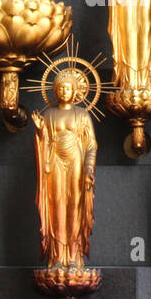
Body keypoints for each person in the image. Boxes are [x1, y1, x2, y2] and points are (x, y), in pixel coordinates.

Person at [31, 69, 98, 270]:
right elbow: (46, 143)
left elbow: (91, 145)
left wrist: (88, 168)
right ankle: (58, 254)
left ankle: (75, 255)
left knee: (74, 204)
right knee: (57, 203)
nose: (64, 91)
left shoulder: (82, 114)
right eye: (60, 88)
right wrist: (40, 132)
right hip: (55, 161)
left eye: (68, 88)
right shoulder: (49, 115)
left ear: (75, 91)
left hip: (76, 160)